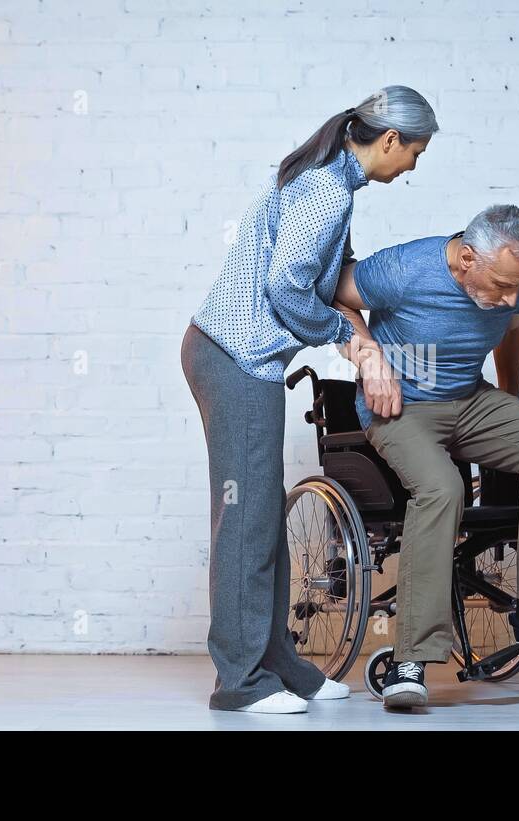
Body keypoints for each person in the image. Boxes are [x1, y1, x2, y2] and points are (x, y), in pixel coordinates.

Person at [180, 87, 438, 713]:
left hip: (243, 359)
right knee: (245, 522)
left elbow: (329, 282)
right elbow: (287, 290)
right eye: (416, 152)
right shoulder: (325, 192)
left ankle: (280, 663)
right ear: (388, 142)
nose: (413, 166)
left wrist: (366, 337)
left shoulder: (334, 187)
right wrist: (344, 339)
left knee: (261, 514)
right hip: (234, 358)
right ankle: (239, 682)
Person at [332, 204, 519, 709]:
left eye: (518, 286)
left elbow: (515, 326)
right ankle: (411, 657)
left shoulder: (518, 279)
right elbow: (333, 294)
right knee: (442, 488)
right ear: (466, 258)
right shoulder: (405, 269)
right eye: (501, 285)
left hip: (470, 399)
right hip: (401, 405)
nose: (511, 296)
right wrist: (368, 358)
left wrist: (511, 398)